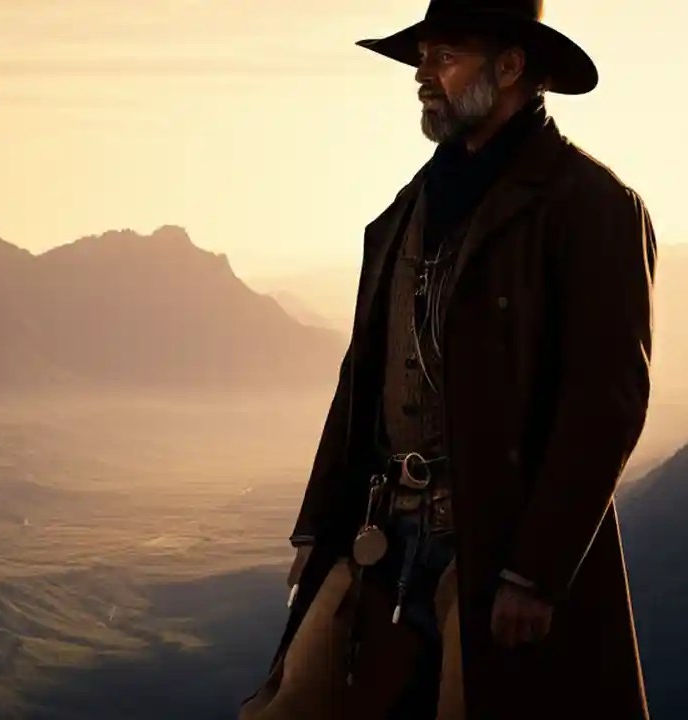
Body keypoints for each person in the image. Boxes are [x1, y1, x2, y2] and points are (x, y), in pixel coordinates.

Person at [238, 1, 656, 718]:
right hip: (381, 535)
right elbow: (361, 376)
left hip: (495, 544)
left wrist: (535, 573)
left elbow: (605, 402)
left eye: (446, 56)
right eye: (423, 56)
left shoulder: (590, 205)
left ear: (511, 66)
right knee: (294, 704)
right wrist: (318, 526)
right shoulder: (410, 207)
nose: (422, 74)